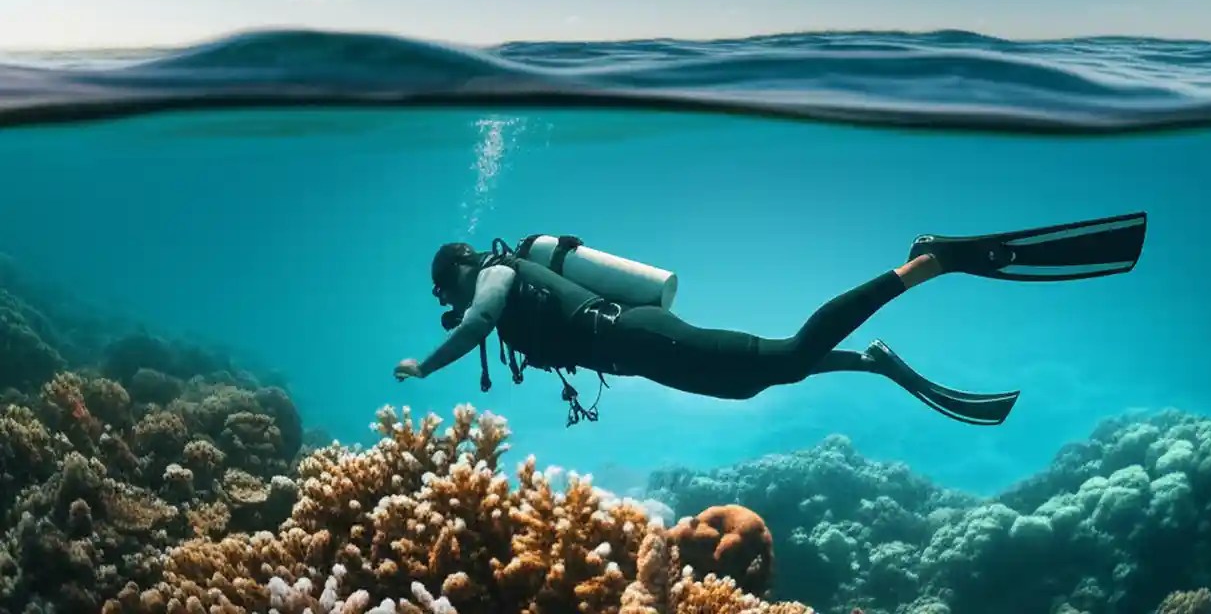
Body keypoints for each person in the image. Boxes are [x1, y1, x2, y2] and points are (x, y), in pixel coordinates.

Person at [394, 212, 1147, 427]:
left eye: (446, 293)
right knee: (754, 382)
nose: (452, 306)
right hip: (639, 351)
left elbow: (483, 316)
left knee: (781, 358)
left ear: (454, 271)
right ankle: (872, 359)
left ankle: (923, 264)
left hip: (636, 337)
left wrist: (428, 364)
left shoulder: (491, 274)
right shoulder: (499, 272)